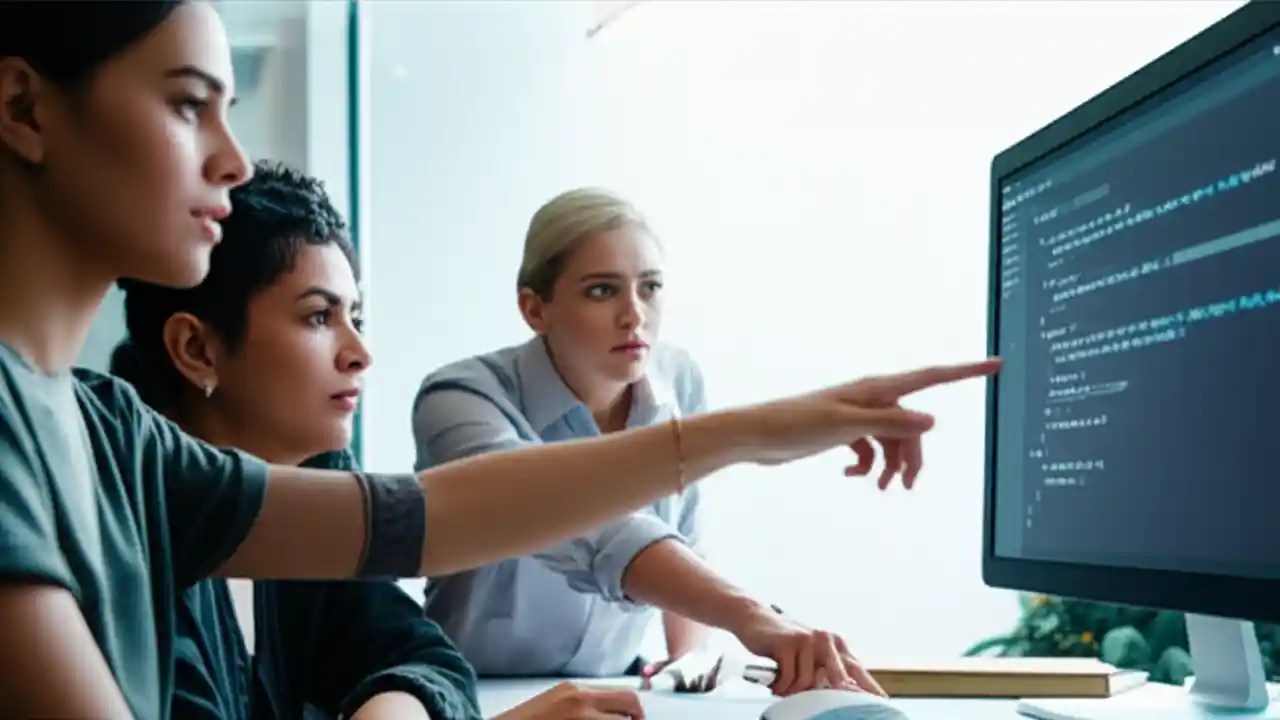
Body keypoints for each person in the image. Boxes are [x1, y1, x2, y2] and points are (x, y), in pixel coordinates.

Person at [0, 2, 999, 718]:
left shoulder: (111, 433)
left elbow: (429, 521)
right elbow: (456, 515)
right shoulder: (20, 429)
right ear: (24, 108)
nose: (231, 158)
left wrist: (758, 430)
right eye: (188, 105)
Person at [413, 188, 888, 697]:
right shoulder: (460, 398)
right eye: (602, 291)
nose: (634, 315)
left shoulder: (678, 378)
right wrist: (750, 615)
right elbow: (576, 516)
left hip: (612, 690)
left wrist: (688, 659)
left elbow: (682, 531)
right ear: (534, 309)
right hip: (475, 692)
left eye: (650, 288)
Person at [111, 161, 483, 720]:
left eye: (355, 317)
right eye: (318, 317)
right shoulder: (134, 520)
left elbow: (415, 652)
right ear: (196, 349)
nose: (359, 353)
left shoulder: (311, 471)